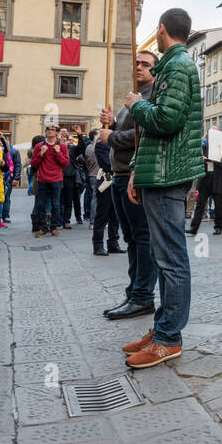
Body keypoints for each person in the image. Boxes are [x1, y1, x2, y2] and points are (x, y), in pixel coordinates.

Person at [121, 9, 205, 369]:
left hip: (169, 173)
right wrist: (138, 171)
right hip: (161, 170)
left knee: (171, 259)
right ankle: (161, 330)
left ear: (161, 31)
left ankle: (168, 337)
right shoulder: (174, 65)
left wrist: (137, 104)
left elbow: (165, 121)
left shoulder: (176, 66)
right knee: (164, 257)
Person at [96, 50, 158, 321]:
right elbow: (129, 129)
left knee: (142, 238)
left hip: (135, 175)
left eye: (146, 64)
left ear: (155, 70)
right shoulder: (132, 98)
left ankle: (143, 296)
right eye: (137, 63)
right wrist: (112, 123)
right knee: (131, 238)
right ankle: (134, 292)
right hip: (119, 175)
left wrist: (111, 137)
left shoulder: (151, 97)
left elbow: (145, 135)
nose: (139, 67)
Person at [30, 125, 70, 237]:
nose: (50, 131)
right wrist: (41, 154)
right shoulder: (39, 146)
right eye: (48, 130)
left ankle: (54, 227)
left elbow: (65, 163)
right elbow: (33, 163)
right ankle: (42, 228)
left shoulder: (62, 146)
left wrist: (58, 153)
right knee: (40, 204)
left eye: (52, 130)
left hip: (56, 179)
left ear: (57, 133)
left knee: (56, 204)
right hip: (42, 178)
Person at [87, 133, 122, 256]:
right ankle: (98, 245)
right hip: (106, 183)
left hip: (116, 180)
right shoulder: (101, 145)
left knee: (115, 215)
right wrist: (121, 167)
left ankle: (113, 243)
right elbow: (106, 164)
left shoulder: (116, 144)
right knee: (103, 214)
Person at [188, 138, 222, 236]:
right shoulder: (203, 147)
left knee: (218, 205)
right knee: (200, 205)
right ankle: (194, 228)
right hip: (204, 180)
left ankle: (218, 227)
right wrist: (201, 160)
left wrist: (211, 160)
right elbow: (195, 163)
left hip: (217, 181)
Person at [0, 135, 18, 227]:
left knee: (6, 198)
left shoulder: (12, 151)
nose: (0, 142)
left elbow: (15, 164)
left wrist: (14, 176)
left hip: (7, 178)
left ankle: (5, 216)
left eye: (2, 141)